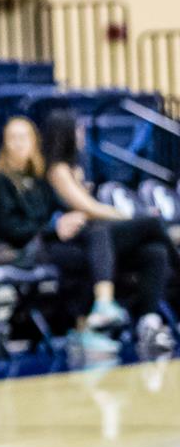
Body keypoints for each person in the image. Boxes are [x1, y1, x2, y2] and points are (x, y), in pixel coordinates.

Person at [0, 116, 120, 356]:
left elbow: (58, 209)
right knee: (84, 255)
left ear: (35, 141)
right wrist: (54, 227)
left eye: (24, 137)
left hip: (43, 244)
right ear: (4, 144)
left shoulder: (38, 177)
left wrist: (69, 213)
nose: (18, 143)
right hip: (17, 251)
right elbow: (8, 229)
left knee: (87, 250)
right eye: (12, 138)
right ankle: (90, 319)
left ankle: (87, 325)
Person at [39, 111, 176, 357]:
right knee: (152, 225)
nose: (82, 134)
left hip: (95, 245)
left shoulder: (74, 169)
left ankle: (149, 321)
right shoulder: (58, 170)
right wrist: (130, 216)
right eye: (78, 129)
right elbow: (90, 209)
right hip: (73, 245)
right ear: (66, 134)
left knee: (154, 253)